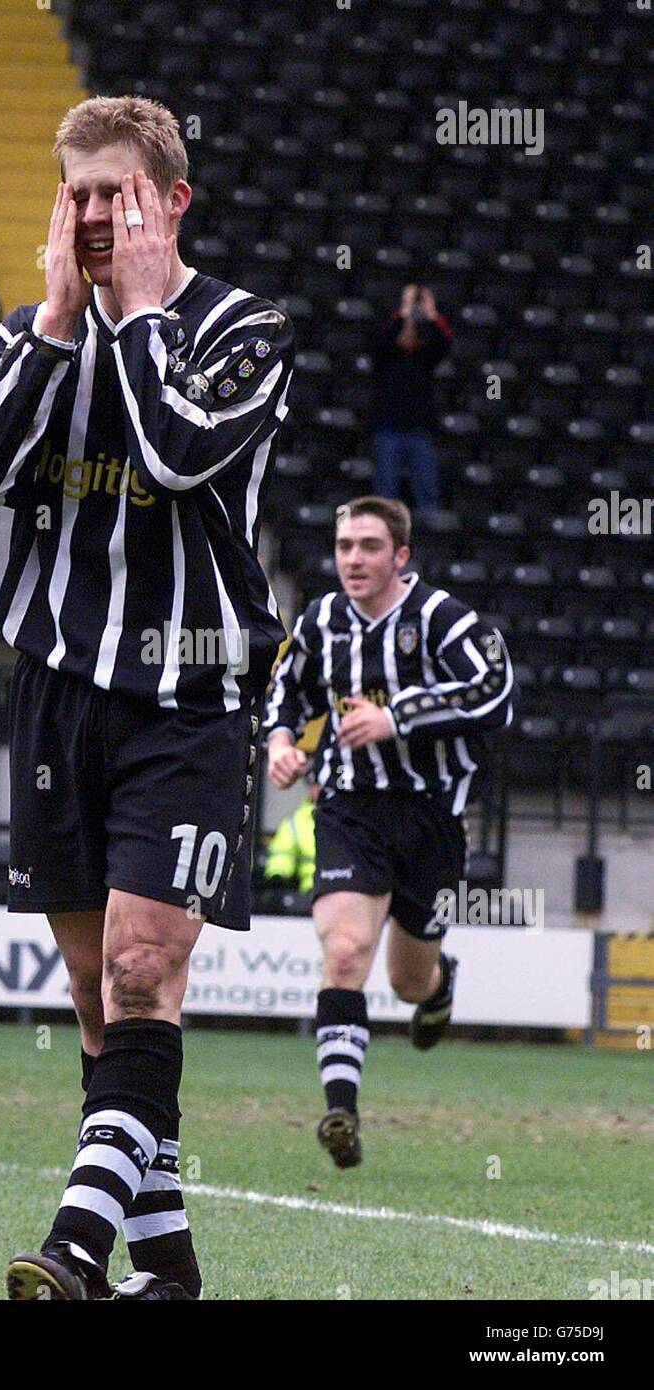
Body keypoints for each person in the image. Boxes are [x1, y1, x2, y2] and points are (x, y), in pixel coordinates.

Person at [0, 95, 294, 1300]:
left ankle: (76, 1249)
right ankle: (170, 1271)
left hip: (188, 695)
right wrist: (50, 327)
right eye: (75, 192)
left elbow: (178, 450)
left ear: (170, 201)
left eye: (115, 192)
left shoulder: (246, 330)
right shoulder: (29, 333)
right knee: (98, 999)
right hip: (54, 693)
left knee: (141, 969)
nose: (90, 214)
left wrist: (131, 316)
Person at [264, 496, 513, 1169]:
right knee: (345, 954)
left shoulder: (441, 619)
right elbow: (286, 692)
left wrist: (397, 717)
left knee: (407, 981)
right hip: (349, 809)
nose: (353, 559)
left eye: (369, 546)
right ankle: (340, 1111)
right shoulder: (320, 620)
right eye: (344, 546)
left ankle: (437, 985)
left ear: (400, 556)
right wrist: (281, 742)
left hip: (430, 817)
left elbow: (496, 691)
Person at [370, 284, 452, 510]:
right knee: (385, 493)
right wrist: (404, 312)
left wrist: (431, 314)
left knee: (428, 491)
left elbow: (444, 343)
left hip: (419, 431)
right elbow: (382, 340)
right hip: (388, 429)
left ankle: (428, 531)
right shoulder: (386, 357)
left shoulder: (424, 359)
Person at [262, 776, 318, 895]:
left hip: (347, 890)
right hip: (310, 891)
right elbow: (282, 855)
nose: (319, 789)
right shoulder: (296, 822)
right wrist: (277, 874)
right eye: (315, 784)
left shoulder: (346, 816)